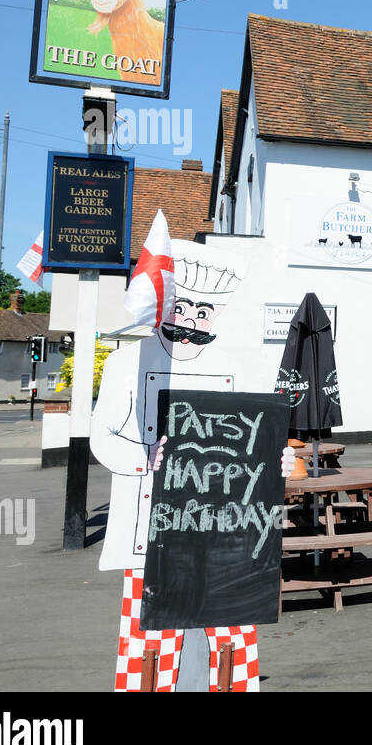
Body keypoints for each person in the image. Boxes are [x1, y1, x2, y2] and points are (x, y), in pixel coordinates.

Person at [90, 239, 291, 691]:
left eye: (204, 313)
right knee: (149, 644)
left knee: (230, 640)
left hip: (227, 534)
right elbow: (101, 437)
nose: (191, 323)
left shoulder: (237, 367)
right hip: (149, 532)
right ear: (164, 306)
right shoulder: (128, 362)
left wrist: (278, 457)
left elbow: (256, 437)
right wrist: (144, 460)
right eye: (183, 309)